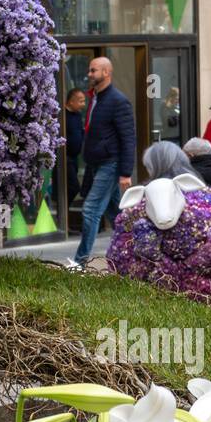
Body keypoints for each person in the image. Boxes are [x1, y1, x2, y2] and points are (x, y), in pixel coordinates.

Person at [74, 57, 136, 267]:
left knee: (90, 209)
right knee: (116, 213)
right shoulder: (96, 98)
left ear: (106, 73)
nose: (89, 74)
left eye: (93, 71)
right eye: (89, 70)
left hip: (110, 163)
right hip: (96, 164)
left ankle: (79, 261)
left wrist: (126, 172)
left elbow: (128, 138)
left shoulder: (118, 101)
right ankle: (135, 250)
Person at [64, 88, 86, 189]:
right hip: (65, 157)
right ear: (71, 102)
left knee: (71, 187)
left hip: (74, 157)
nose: (83, 104)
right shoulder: (62, 115)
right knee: (74, 186)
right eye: (81, 101)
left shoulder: (78, 115)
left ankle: (66, 205)